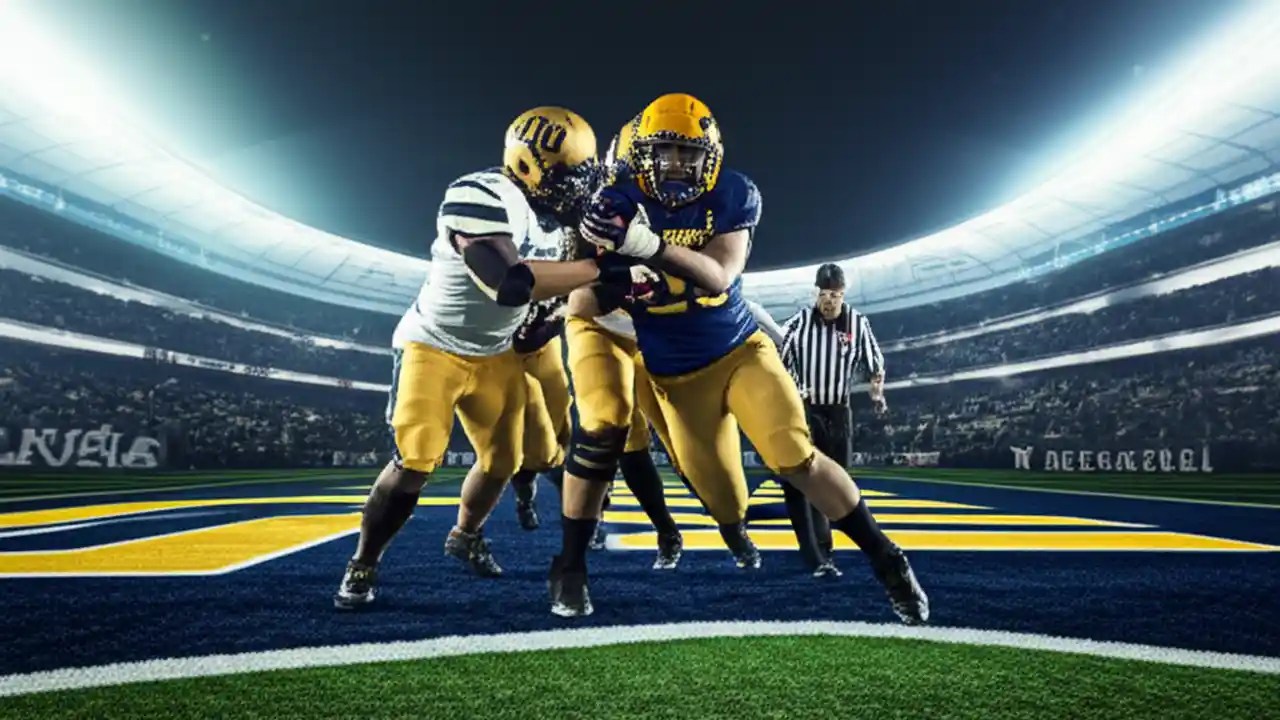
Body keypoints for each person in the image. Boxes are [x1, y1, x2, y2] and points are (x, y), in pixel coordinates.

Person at [552, 93, 928, 625]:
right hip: (676, 376)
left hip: (739, 350)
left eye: (689, 153)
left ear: (712, 155)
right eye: (666, 152)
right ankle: (734, 533)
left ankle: (890, 562)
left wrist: (645, 245)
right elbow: (583, 303)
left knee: (794, 455)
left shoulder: (732, 192)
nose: (678, 164)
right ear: (639, 155)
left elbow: (720, 275)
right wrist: (616, 275)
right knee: (726, 501)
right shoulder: (614, 199)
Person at [333, 106, 633, 609]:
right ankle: (363, 562)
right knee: (416, 460)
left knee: (502, 460)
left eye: (584, 177)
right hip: (435, 345)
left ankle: (465, 535)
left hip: (497, 352)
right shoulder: (483, 194)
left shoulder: (563, 221)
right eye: (567, 176)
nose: (578, 189)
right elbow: (509, 283)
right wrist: (597, 269)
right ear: (529, 166)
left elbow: (551, 298)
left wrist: (563, 310)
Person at [776, 262, 887, 577]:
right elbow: (781, 361)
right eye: (824, 294)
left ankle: (838, 543)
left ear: (843, 295)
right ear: (817, 293)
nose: (829, 301)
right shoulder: (799, 323)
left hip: (839, 411)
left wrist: (877, 395)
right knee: (812, 482)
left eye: (835, 295)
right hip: (807, 411)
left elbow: (874, 364)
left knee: (840, 484)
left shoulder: (857, 323)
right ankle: (821, 555)